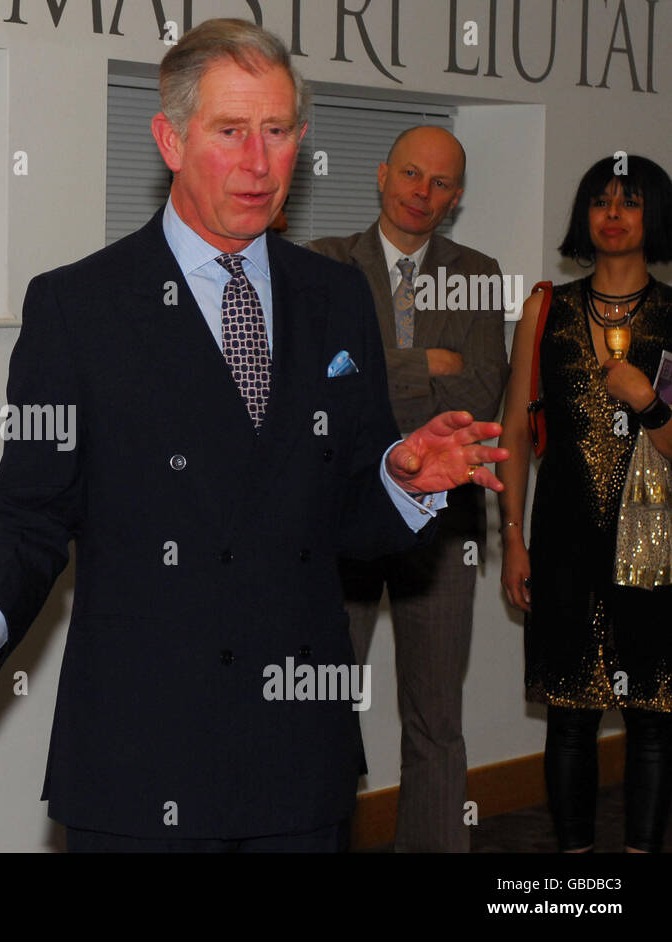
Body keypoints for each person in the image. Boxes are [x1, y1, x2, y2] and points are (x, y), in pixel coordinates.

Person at [0, 18, 506, 852]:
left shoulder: (335, 298)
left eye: (278, 133)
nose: (258, 161)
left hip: (298, 762)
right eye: (231, 131)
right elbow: (29, 506)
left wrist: (401, 478)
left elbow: (346, 505)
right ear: (171, 138)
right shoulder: (79, 308)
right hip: (141, 757)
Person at [306, 127, 510, 852]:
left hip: (445, 525)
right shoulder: (325, 261)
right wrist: (428, 360)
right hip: (347, 513)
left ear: (456, 197)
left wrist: (375, 366)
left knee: (436, 719)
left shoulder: (479, 272)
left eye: (441, 183)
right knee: (323, 709)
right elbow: (321, 378)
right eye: (412, 175)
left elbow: (484, 386)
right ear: (383, 174)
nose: (422, 194)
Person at [498, 154, 672, 853]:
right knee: (569, 716)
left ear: (653, 216)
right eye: (600, 201)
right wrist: (511, 534)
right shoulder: (546, 309)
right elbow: (513, 427)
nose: (612, 214)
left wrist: (647, 401)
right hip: (564, 540)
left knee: (653, 720)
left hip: (654, 548)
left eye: (629, 202)